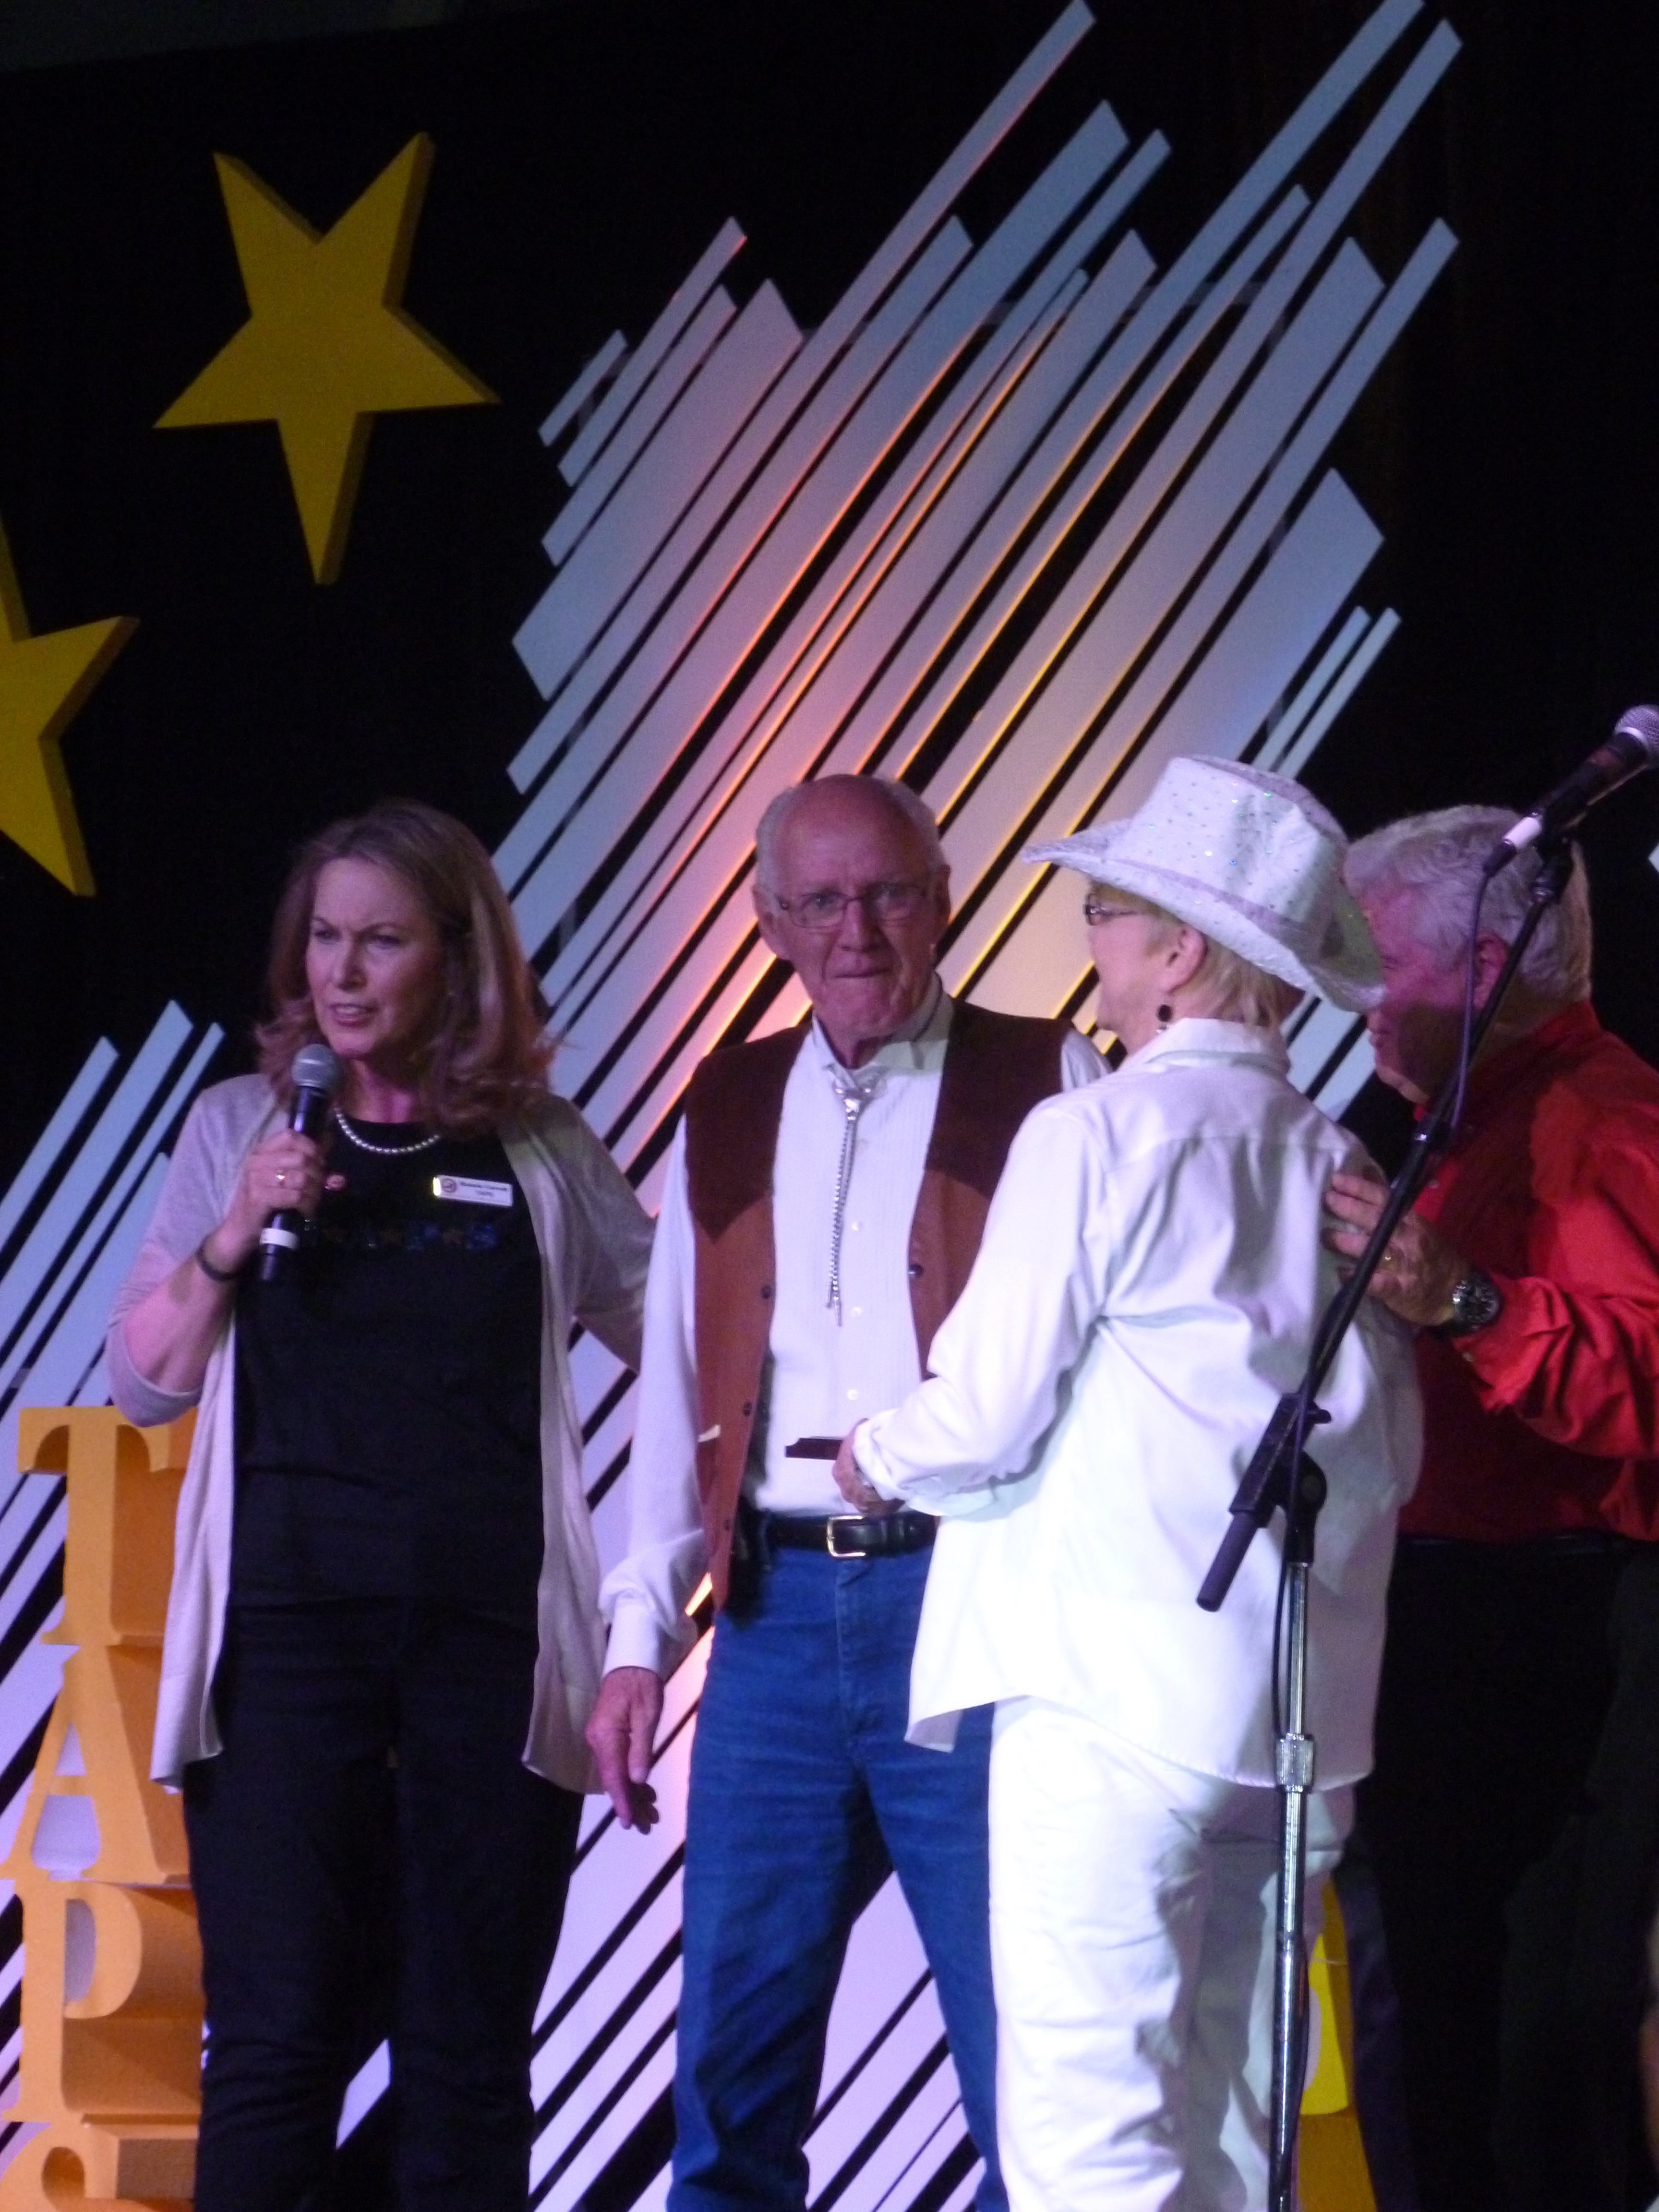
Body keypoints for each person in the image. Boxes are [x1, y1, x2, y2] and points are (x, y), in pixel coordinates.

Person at [833, 754, 1422, 2212]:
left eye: (1107, 910)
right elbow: (1388, 1446)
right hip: (1287, 1716)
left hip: (1107, 1696)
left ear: (1180, 954)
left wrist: (872, 1454)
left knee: (1092, 2132)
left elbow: (986, 1410)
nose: (1087, 937)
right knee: (1237, 2130)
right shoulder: (1340, 1161)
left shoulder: (1097, 1133)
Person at [106, 799, 653, 2212]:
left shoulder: (537, 1146)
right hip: (286, 1647)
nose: (343, 977)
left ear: (457, 961)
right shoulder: (241, 1122)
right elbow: (149, 1385)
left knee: (469, 2054)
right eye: (326, 941)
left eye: (383, 943)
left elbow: (682, 1342)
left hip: (488, 1652)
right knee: (277, 2045)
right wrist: (236, 1232)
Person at [585, 773, 1102, 2212]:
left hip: (975, 1602)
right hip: (774, 1618)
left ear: (943, 897)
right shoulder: (729, 1101)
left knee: (1029, 2053)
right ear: (769, 923)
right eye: (820, 901)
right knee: (730, 2067)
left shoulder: (1051, 1079)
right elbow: (684, 1396)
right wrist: (640, 1641)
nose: (857, 929)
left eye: (887, 892)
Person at [1323, 806, 1659, 2212]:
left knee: (1515, 2058)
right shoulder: (1473, 1119)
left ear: (1480, 961)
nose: (1355, 995)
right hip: (1462, 1627)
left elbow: (1644, 1387)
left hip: (1545, 1638)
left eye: (1373, 958)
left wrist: (1460, 1299)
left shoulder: (1600, 1119)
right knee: (1440, 2049)